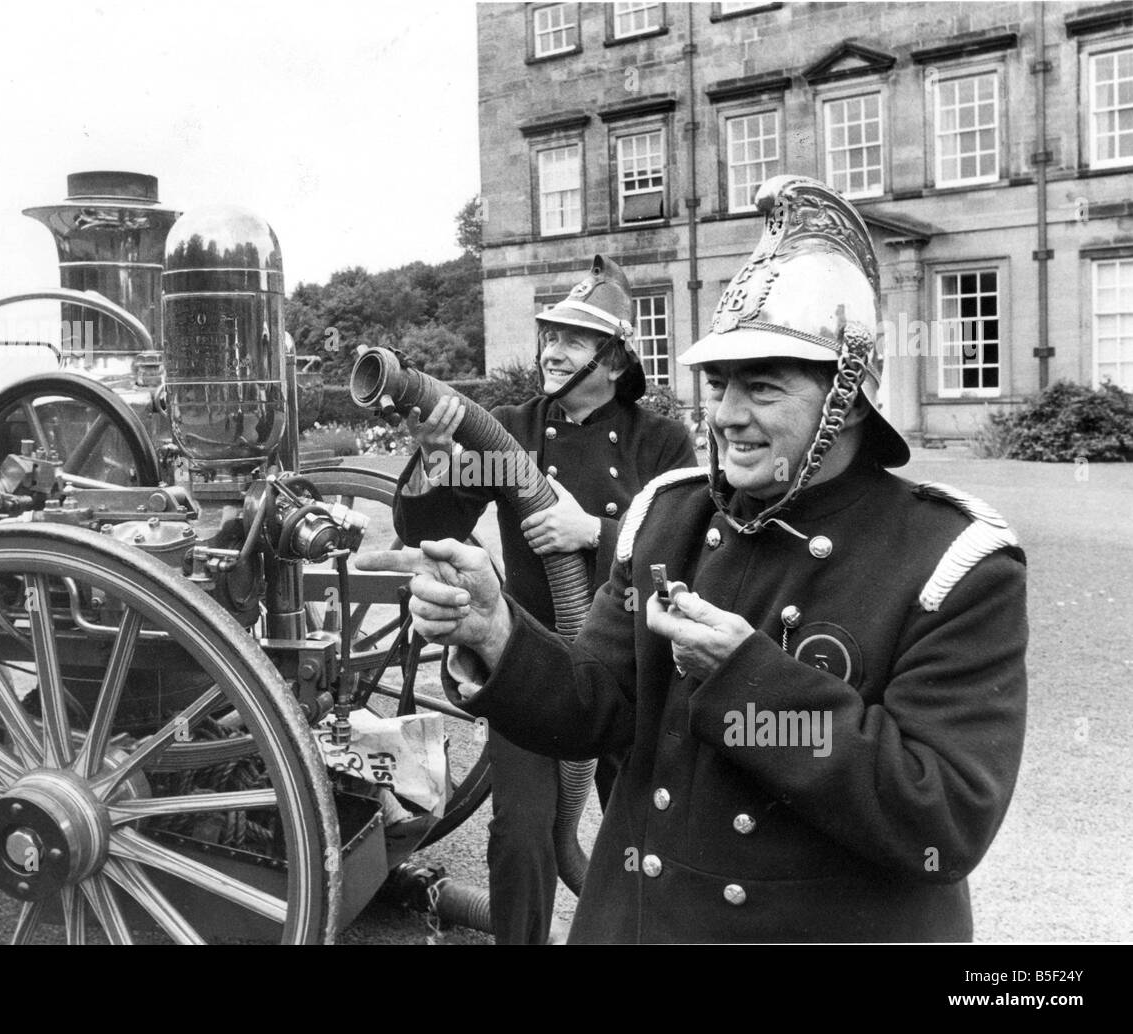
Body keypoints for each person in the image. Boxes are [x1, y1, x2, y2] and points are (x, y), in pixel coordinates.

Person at [359, 176, 1028, 943]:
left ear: (846, 401)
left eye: (765, 387)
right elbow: (595, 705)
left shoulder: (955, 564)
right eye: (719, 382)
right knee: (521, 838)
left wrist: (749, 680)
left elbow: (939, 812)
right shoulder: (671, 515)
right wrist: (496, 635)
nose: (728, 415)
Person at [391, 254, 695, 944]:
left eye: (573, 340)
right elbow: (425, 529)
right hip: (530, 658)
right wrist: (436, 459)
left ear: (614, 361)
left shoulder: (660, 441)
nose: (552, 351)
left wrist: (597, 530)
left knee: (646, 830)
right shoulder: (514, 435)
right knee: (522, 835)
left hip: (632, 671)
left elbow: (693, 548)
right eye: (549, 336)